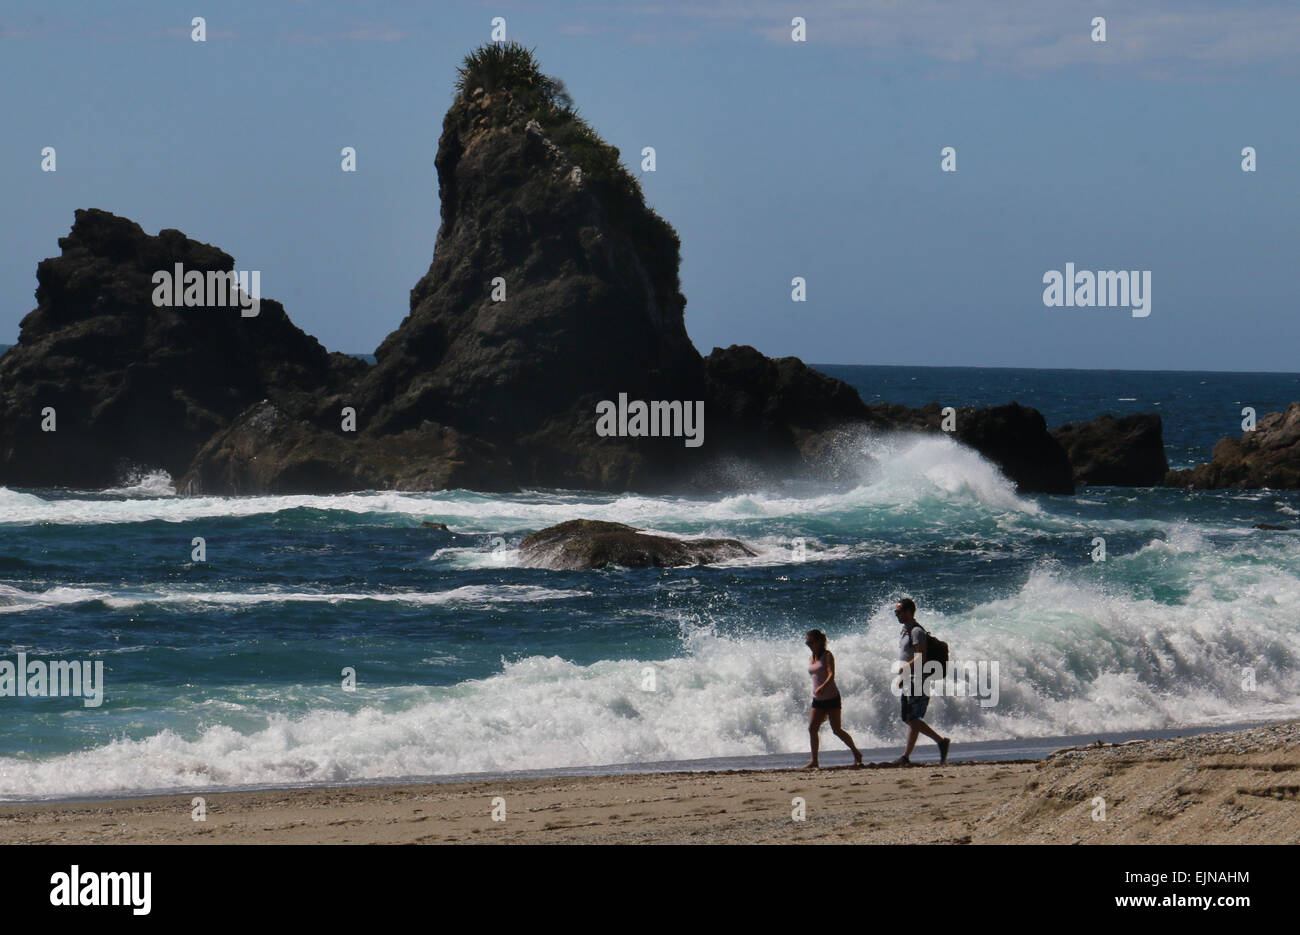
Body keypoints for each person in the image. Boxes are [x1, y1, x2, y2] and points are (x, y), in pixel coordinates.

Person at [893, 598, 951, 765]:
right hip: (910, 679)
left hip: (919, 679)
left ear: (909, 611)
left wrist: (904, 669)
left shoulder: (917, 631)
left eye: (899, 612)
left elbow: (921, 658)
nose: (896, 615)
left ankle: (906, 756)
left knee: (912, 717)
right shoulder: (905, 630)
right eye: (895, 612)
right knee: (908, 718)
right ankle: (940, 742)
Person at [801, 629, 863, 769]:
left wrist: (822, 686)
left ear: (818, 642)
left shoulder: (827, 655)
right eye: (806, 643)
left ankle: (856, 752)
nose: (808, 645)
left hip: (831, 697)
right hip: (818, 699)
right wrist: (817, 689)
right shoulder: (812, 657)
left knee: (837, 730)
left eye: (810, 642)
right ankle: (814, 761)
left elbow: (831, 674)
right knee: (812, 728)